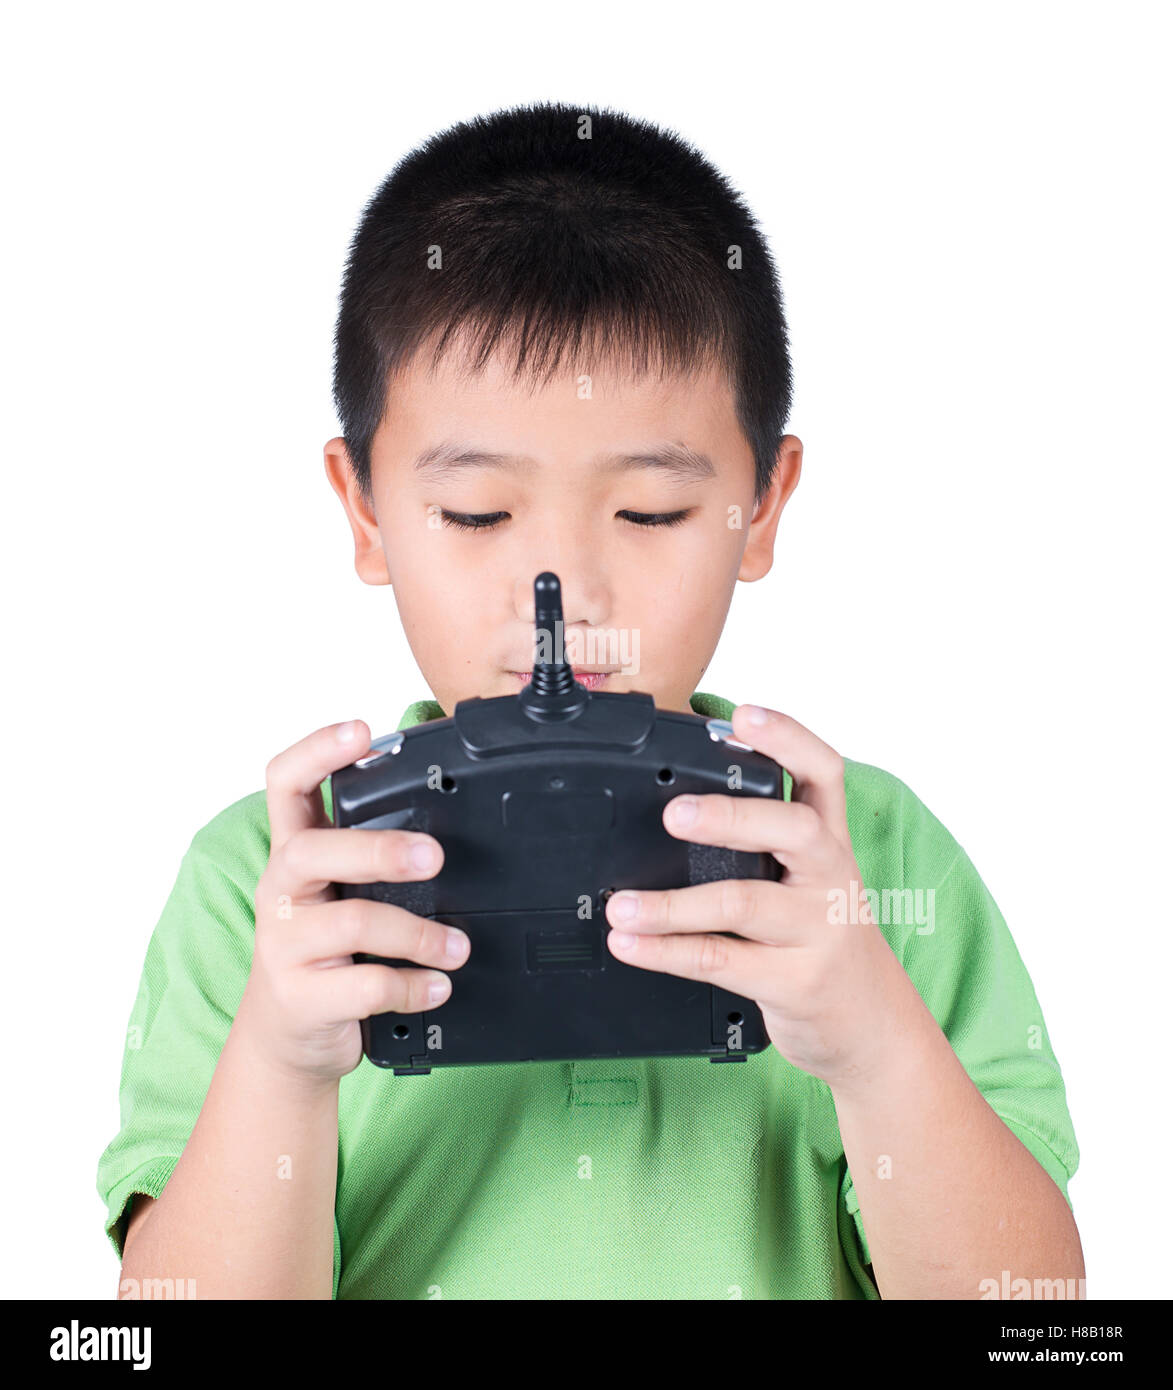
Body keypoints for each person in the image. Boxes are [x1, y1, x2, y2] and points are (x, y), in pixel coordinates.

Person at [98, 100, 1083, 1300]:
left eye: (654, 511)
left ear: (760, 505)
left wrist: (875, 1043)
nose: (563, 588)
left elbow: (1030, 1322)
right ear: (364, 511)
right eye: (476, 513)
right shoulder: (268, 879)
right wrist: (280, 1061)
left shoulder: (859, 855)